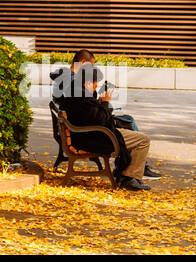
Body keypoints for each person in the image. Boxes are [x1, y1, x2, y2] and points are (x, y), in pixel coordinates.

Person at [53, 49, 161, 179]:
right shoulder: (73, 85)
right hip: (90, 134)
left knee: (128, 120)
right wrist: (104, 103)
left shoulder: (72, 83)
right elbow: (94, 116)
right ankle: (132, 171)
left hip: (83, 127)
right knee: (133, 128)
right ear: (82, 63)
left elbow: (85, 107)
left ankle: (135, 166)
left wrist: (98, 100)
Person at [60, 65, 152, 191]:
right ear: (87, 82)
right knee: (143, 140)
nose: (95, 88)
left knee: (129, 128)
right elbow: (100, 119)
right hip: (95, 138)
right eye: (95, 85)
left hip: (90, 134)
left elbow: (91, 115)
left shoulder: (75, 92)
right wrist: (105, 102)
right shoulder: (81, 96)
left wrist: (99, 103)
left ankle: (125, 174)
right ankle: (129, 178)